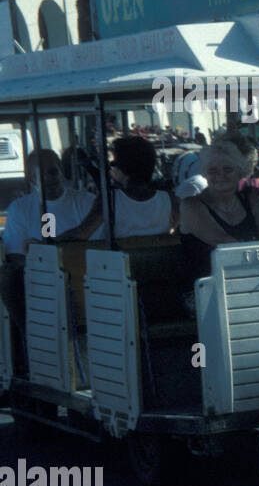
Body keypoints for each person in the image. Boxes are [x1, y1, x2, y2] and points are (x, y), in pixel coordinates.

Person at [0, 150, 95, 369]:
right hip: (40, 284)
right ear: (32, 179)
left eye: (53, 172)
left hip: (83, 281)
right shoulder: (20, 209)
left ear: (62, 172)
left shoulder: (86, 202)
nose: (49, 179)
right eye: (41, 175)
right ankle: (28, 354)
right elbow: (16, 257)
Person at [178, 139, 259, 301]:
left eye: (227, 169)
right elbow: (226, 246)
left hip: (250, 283)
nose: (220, 176)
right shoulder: (191, 206)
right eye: (213, 170)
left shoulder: (252, 201)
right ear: (204, 173)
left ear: (240, 172)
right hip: (205, 290)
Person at [55, 136, 176, 242]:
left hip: (120, 264)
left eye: (113, 164)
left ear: (123, 168)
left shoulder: (110, 199)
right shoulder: (168, 198)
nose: (111, 168)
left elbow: (82, 233)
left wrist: (49, 242)